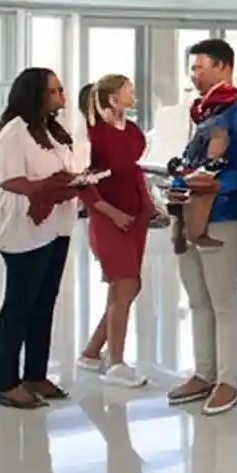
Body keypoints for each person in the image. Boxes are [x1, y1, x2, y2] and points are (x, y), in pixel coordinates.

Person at [166, 39, 237, 416]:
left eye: (200, 67)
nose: (194, 74)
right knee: (197, 299)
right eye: (192, 69)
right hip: (186, 211)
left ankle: (228, 381)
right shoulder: (199, 112)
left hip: (224, 214)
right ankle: (204, 372)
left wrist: (226, 189)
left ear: (224, 67)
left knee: (223, 299)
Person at [0, 67, 79, 409]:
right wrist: (52, 187)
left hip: (56, 228)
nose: (62, 96)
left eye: (61, 89)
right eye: (55, 91)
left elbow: (59, 169)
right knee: (19, 307)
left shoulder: (51, 129)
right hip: (24, 231)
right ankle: (6, 382)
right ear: (36, 94)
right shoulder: (14, 132)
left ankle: (36, 375)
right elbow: (12, 180)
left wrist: (72, 182)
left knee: (44, 304)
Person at [74, 75, 155, 388]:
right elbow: (83, 182)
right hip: (108, 219)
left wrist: (148, 205)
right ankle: (117, 362)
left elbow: (132, 172)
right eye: (128, 90)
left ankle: (92, 352)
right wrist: (109, 212)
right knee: (124, 284)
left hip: (136, 218)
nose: (133, 94)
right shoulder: (93, 136)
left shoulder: (133, 133)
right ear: (111, 98)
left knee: (129, 288)